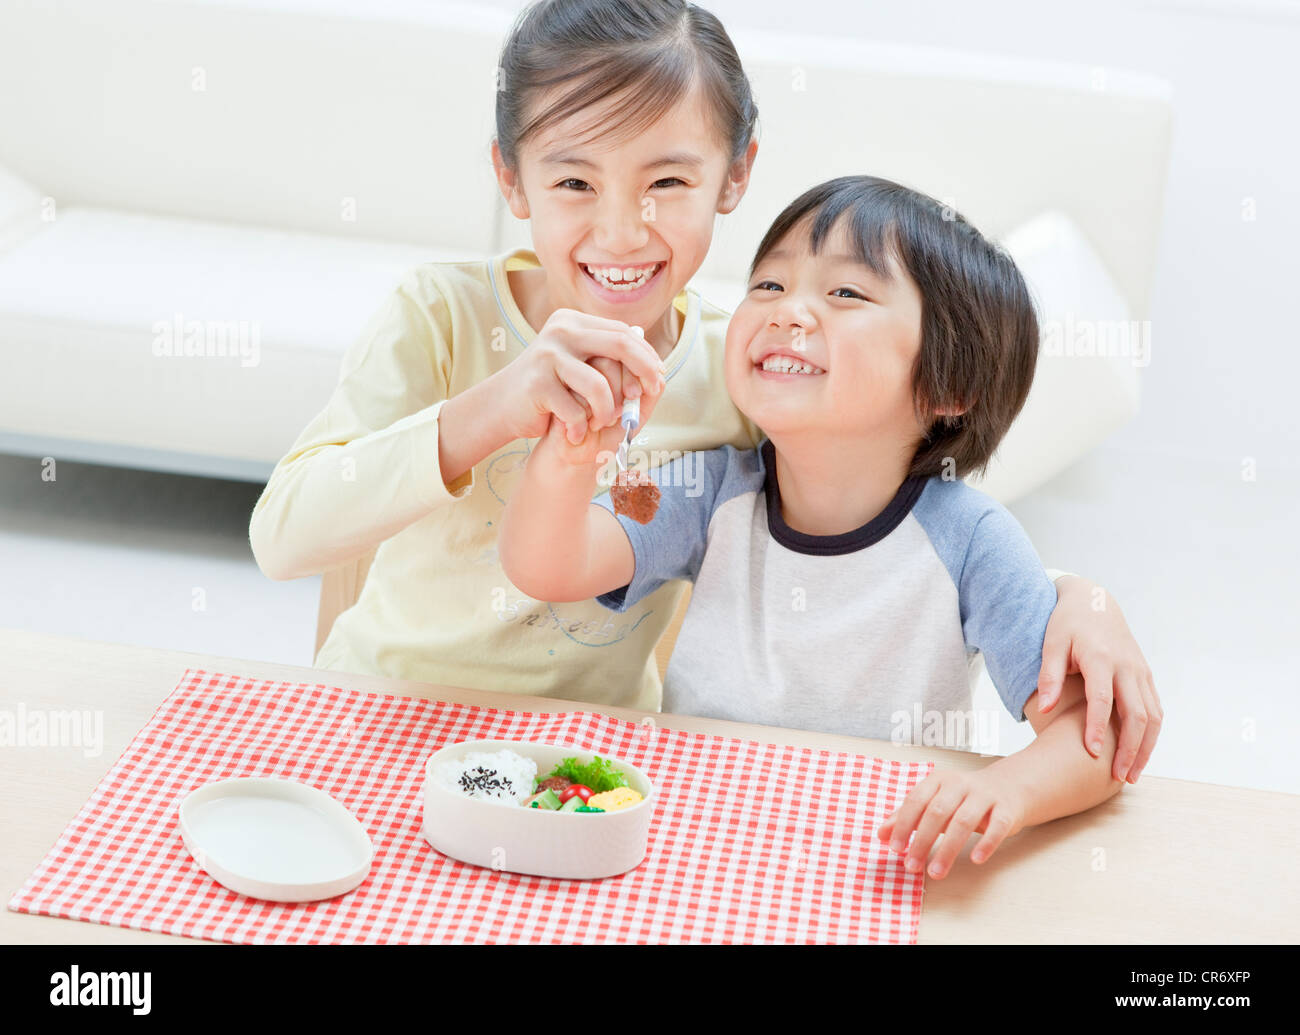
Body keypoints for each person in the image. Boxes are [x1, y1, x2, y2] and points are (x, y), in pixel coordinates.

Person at [248, 0, 1159, 782]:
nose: (620, 231)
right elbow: (283, 536)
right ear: (508, 178)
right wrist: (494, 408)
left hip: (593, 762)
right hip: (385, 717)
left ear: (736, 175)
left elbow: (889, 505)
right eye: (572, 180)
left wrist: (1073, 595)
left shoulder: (742, 367)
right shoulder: (439, 314)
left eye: (668, 181)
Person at [498, 175, 1158, 876]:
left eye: (846, 293)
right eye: (770, 285)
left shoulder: (972, 541)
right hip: (693, 845)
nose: (788, 311)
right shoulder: (705, 490)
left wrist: (1003, 789)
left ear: (948, 387)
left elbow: (1097, 739)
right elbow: (548, 565)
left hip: (879, 865)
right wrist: (568, 459)